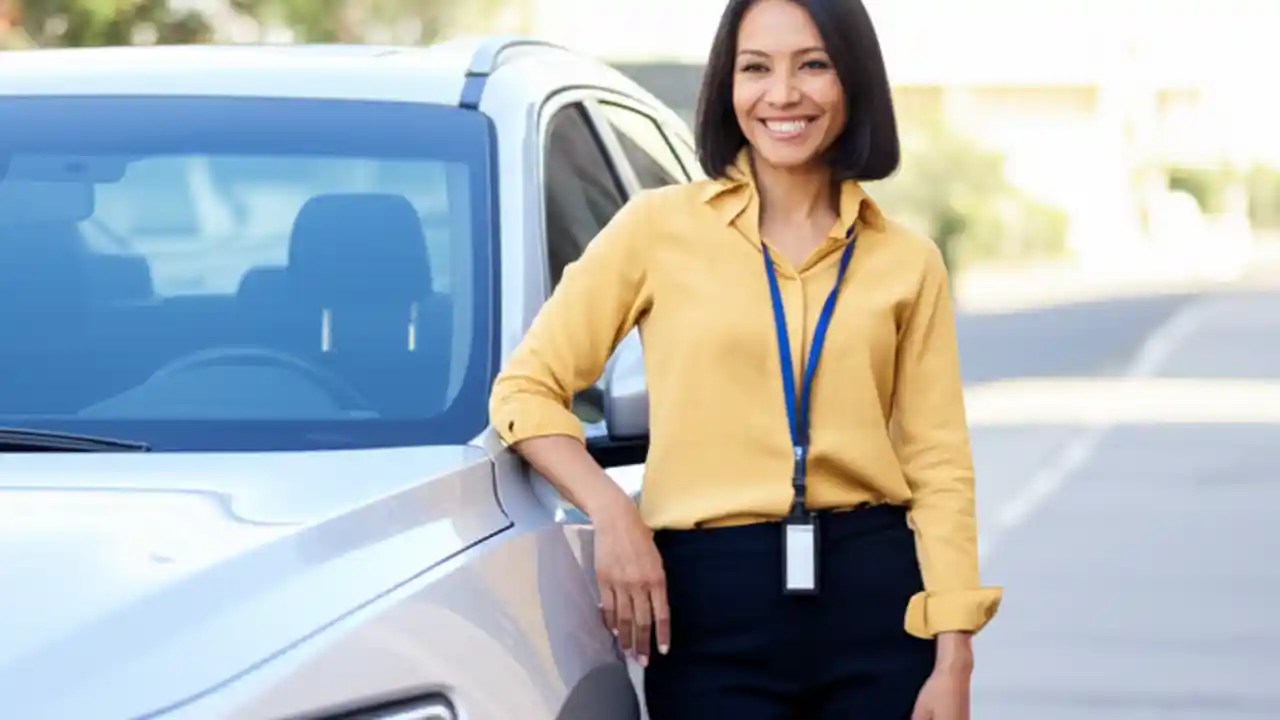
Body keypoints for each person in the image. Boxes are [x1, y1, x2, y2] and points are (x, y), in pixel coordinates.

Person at [488, 0, 1002, 717]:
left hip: (874, 601)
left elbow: (940, 469)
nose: (782, 94)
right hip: (709, 609)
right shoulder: (655, 231)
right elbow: (526, 392)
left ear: (851, 79)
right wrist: (611, 512)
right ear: (727, 88)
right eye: (755, 68)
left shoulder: (908, 264)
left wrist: (955, 656)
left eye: (812, 65)